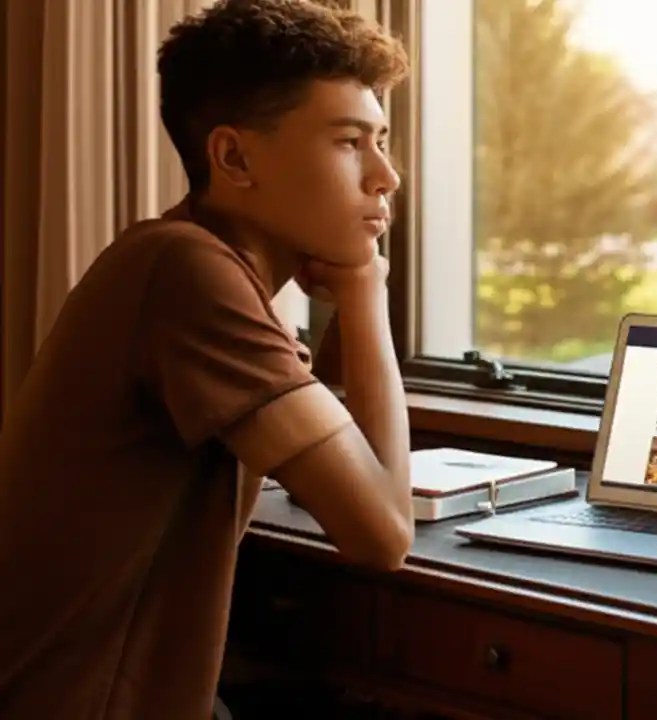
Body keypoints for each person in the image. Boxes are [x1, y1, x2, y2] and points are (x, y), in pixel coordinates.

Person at [0, 1, 415, 717]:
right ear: (232, 157)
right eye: (350, 142)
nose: (387, 176)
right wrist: (366, 291)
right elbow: (382, 532)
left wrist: (355, 289)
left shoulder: (188, 262)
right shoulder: (186, 271)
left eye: (381, 140)